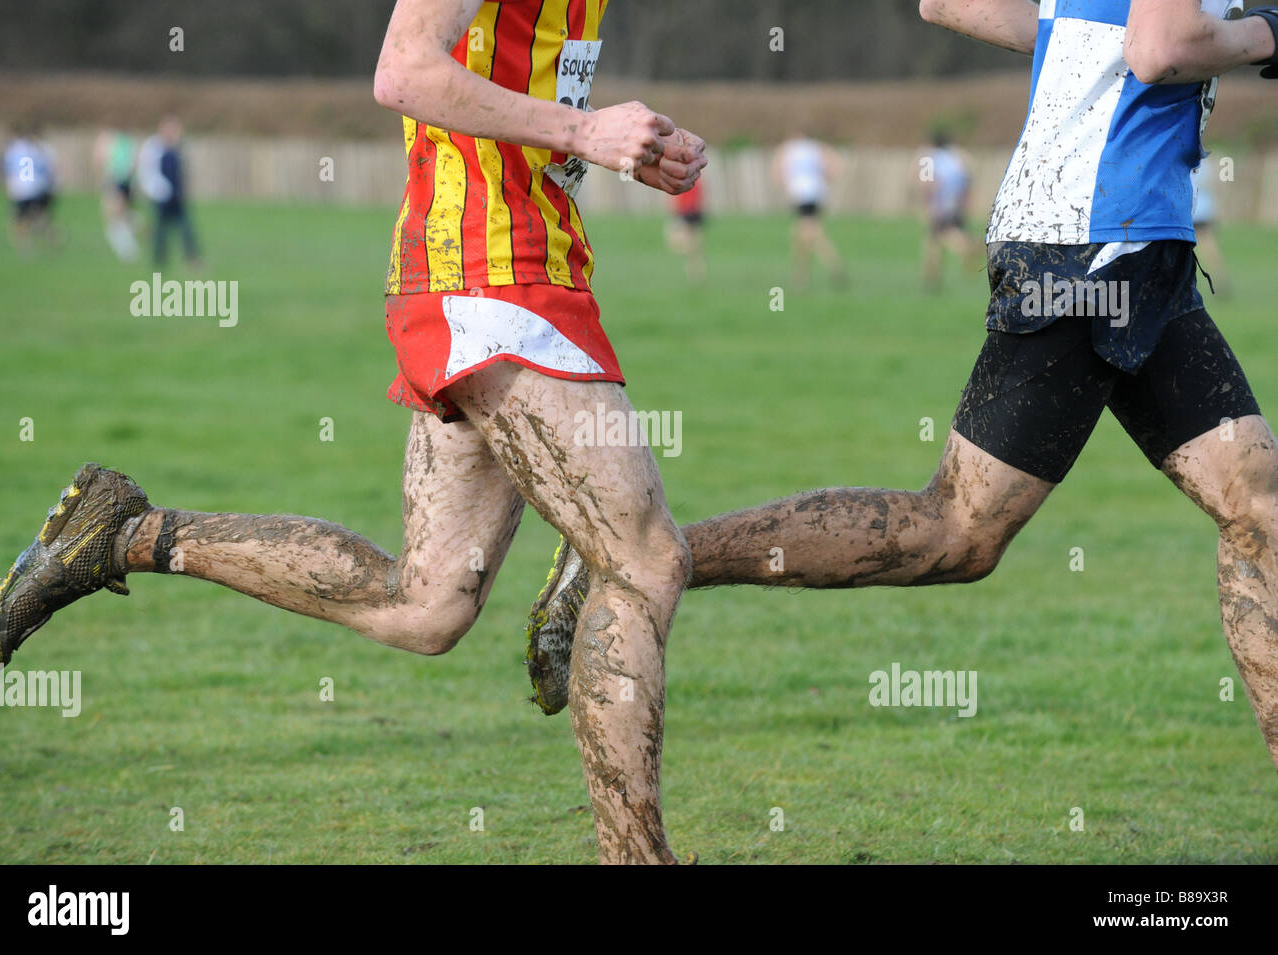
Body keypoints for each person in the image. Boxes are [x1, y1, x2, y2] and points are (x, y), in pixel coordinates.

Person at [0, 0, 705, 866]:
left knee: (427, 606)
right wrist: (586, 130)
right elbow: (403, 69)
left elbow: (515, 76)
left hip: (527, 266)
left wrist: (619, 141)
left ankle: (123, 533)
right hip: (484, 278)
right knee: (645, 556)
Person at [525, 0, 1278, 787]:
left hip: (1136, 241)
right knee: (955, 529)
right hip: (1090, 245)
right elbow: (1162, 49)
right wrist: (1265, 33)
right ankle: (648, 554)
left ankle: (642, 554)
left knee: (1255, 497)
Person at [773, 136, 846, 289]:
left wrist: (785, 185)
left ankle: (834, 265)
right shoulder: (816, 147)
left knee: (811, 233)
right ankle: (800, 277)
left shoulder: (789, 148)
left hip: (801, 194)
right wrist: (825, 181)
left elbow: (779, 171)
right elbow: (835, 166)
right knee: (800, 236)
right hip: (816, 194)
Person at [138, 116, 201, 267]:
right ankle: (159, 260)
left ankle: (192, 258)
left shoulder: (176, 147)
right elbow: (147, 171)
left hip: (175, 197)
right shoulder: (154, 147)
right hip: (161, 196)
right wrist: (154, 190)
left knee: (186, 228)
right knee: (161, 230)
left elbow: (179, 173)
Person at [918, 128, 976, 289]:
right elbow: (968, 177)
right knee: (934, 241)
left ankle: (967, 247)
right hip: (956, 203)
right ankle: (933, 279)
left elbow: (927, 183)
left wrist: (929, 205)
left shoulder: (928, 157)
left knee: (935, 239)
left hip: (940, 204)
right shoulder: (957, 156)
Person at [2, 123, 60, 254]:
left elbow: (8, 169)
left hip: (19, 189)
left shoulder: (12, 149)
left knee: (18, 221)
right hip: (37, 187)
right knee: (38, 217)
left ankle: (25, 249)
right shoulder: (37, 148)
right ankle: (53, 236)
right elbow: (46, 168)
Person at [94, 128, 140, 262]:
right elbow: (135, 163)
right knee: (120, 214)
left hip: (114, 180)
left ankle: (128, 249)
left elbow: (99, 160)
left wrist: (99, 179)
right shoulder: (128, 141)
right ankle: (129, 244)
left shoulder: (107, 139)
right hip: (126, 181)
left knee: (112, 216)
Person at [1191, 158, 1232, 296]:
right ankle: (1219, 280)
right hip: (1205, 212)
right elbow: (1218, 187)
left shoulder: (1186, 158)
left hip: (1192, 213)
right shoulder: (1207, 162)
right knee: (1210, 250)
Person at [665, 177, 707, 282]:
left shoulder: (681, 181)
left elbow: (677, 198)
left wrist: (674, 210)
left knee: (676, 239)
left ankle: (692, 263)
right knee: (695, 244)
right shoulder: (697, 181)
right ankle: (696, 268)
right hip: (696, 212)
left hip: (686, 212)